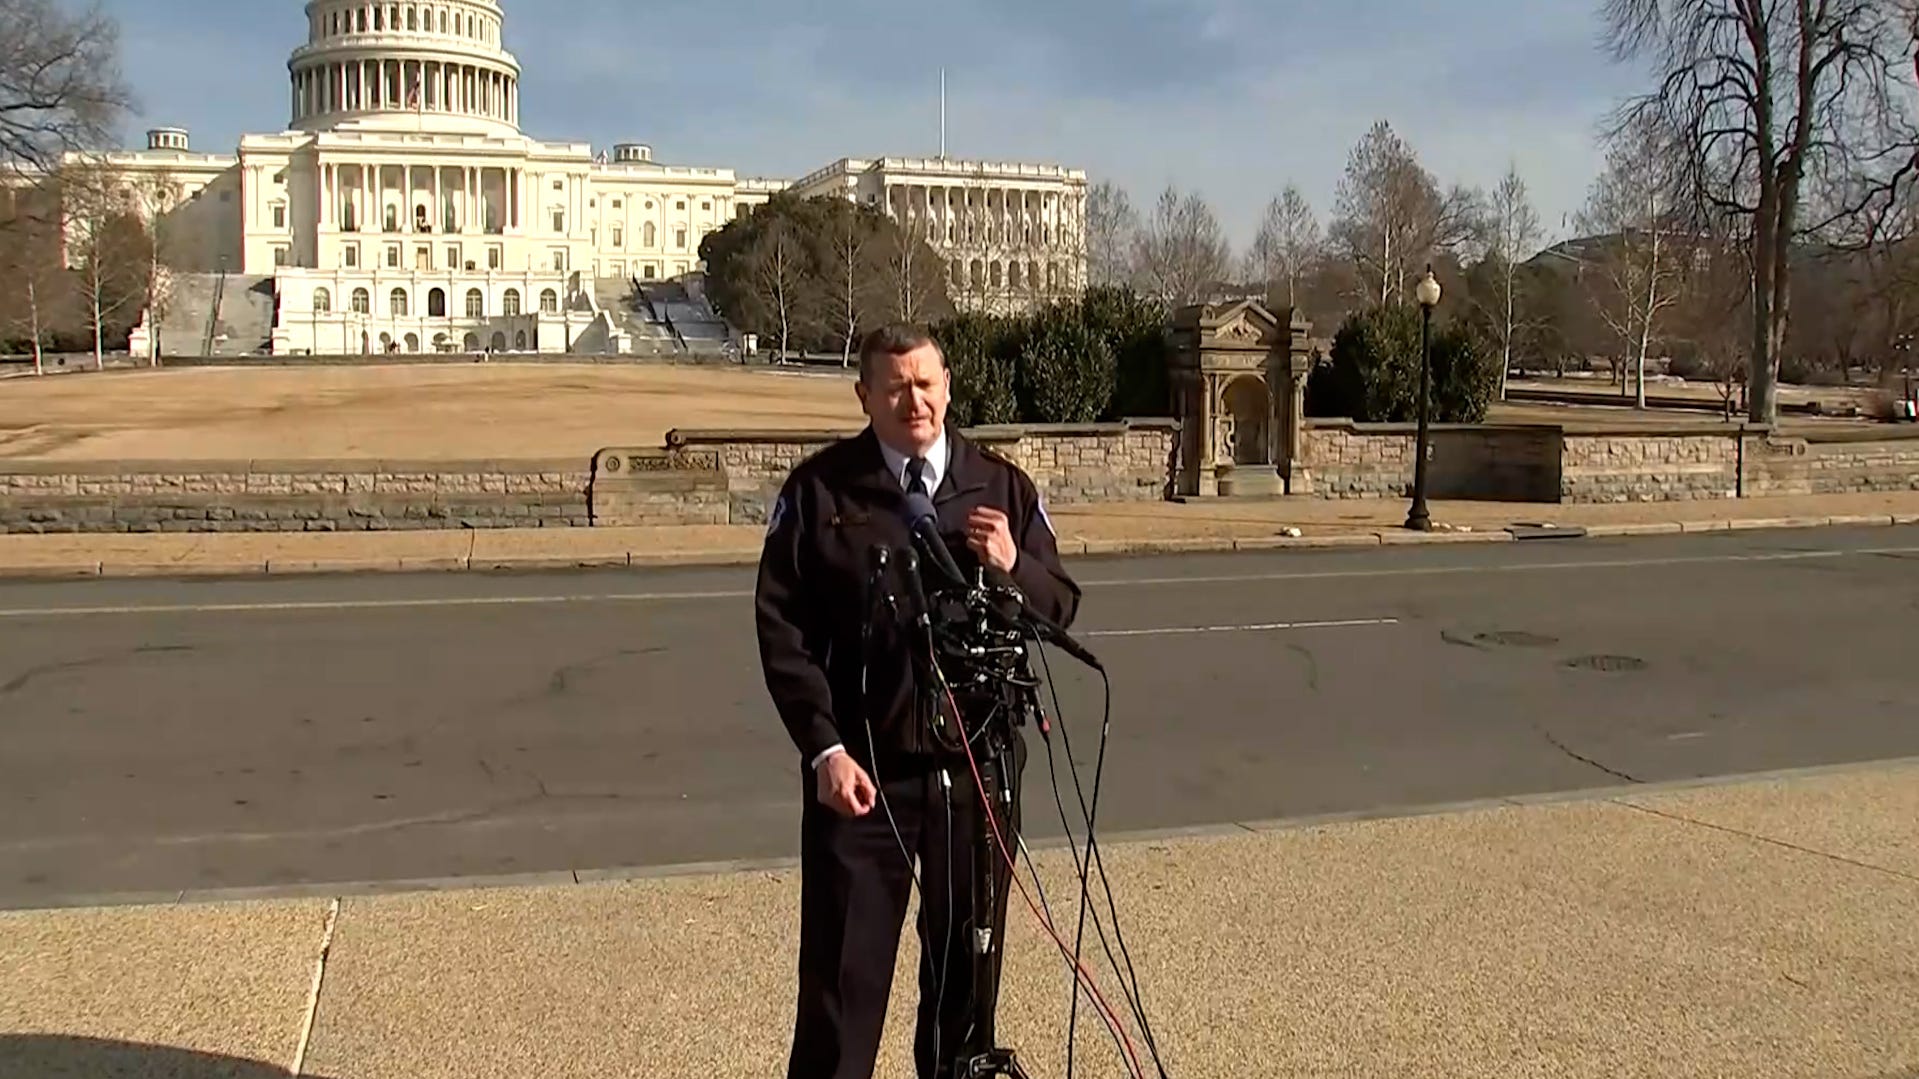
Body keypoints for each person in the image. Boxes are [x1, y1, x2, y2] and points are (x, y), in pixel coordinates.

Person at [755, 323, 1082, 1079]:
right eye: (896, 385)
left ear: (947, 386)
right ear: (864, 394)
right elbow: (782, 629)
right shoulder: (819, 492)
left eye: (926, 382)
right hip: (862, 783)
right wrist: (823, 748)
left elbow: (1059, 606)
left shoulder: (1000, 485)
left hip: (975, 780)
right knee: (842, 990)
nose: (915, 399)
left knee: (964, 998)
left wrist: (1011, 566)